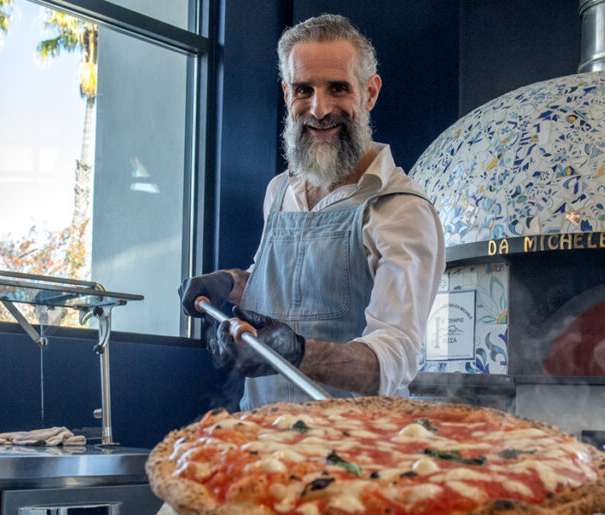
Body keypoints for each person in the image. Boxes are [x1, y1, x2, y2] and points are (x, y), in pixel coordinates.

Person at [179, 15, 445, 409]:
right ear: (287, 94)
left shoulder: (400, 209)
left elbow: (394, 359)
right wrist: (229, 282)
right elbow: (284, 281)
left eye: (338, 88)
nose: (319, 110)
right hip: (264, 437)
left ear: (369, 93)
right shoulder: (279, 190)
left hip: (356, 448)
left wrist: (297, 352)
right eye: (304, 90)